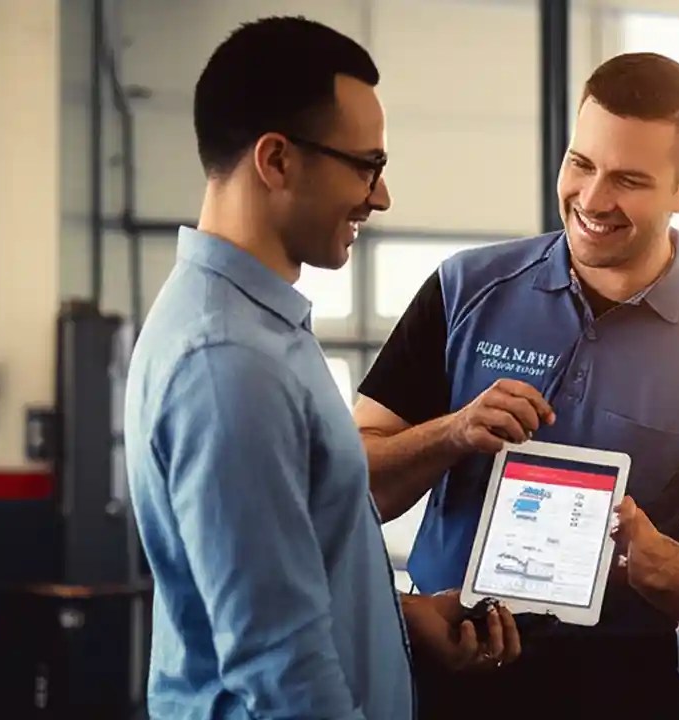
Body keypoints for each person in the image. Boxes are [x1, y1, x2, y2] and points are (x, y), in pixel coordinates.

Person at [353, 52, 679, 718]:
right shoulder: (462, 289)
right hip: (448, 665)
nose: (592, 200)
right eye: (581, 164)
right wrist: (452, 433)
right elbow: (352, 488)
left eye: (629, 179)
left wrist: (656, 560)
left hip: (620, 686)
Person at [124, 17, 518, 720]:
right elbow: (277, 661)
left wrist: (400, 619)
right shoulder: (229, 363)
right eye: (366, 166)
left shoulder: (259, 328)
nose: (381, 195)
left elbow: (283, 573)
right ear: (276, 160)